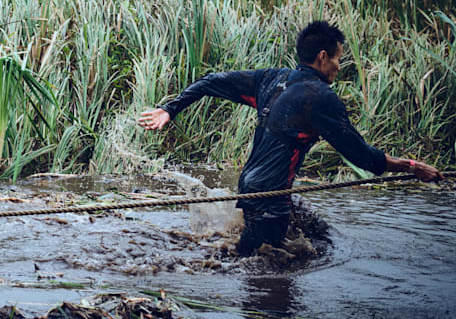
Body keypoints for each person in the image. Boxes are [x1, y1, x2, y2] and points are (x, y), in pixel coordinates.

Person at [138, 20, 442, 256]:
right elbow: (362, 156)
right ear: (323, 57)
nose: (339, 65)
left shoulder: (272, 79)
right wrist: (411, 166)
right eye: (338, 58)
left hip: (252, 188)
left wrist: (169, 109)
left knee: (313, 237)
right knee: (265, 280)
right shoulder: (320, 98)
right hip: (270, 198)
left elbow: (211, 81)